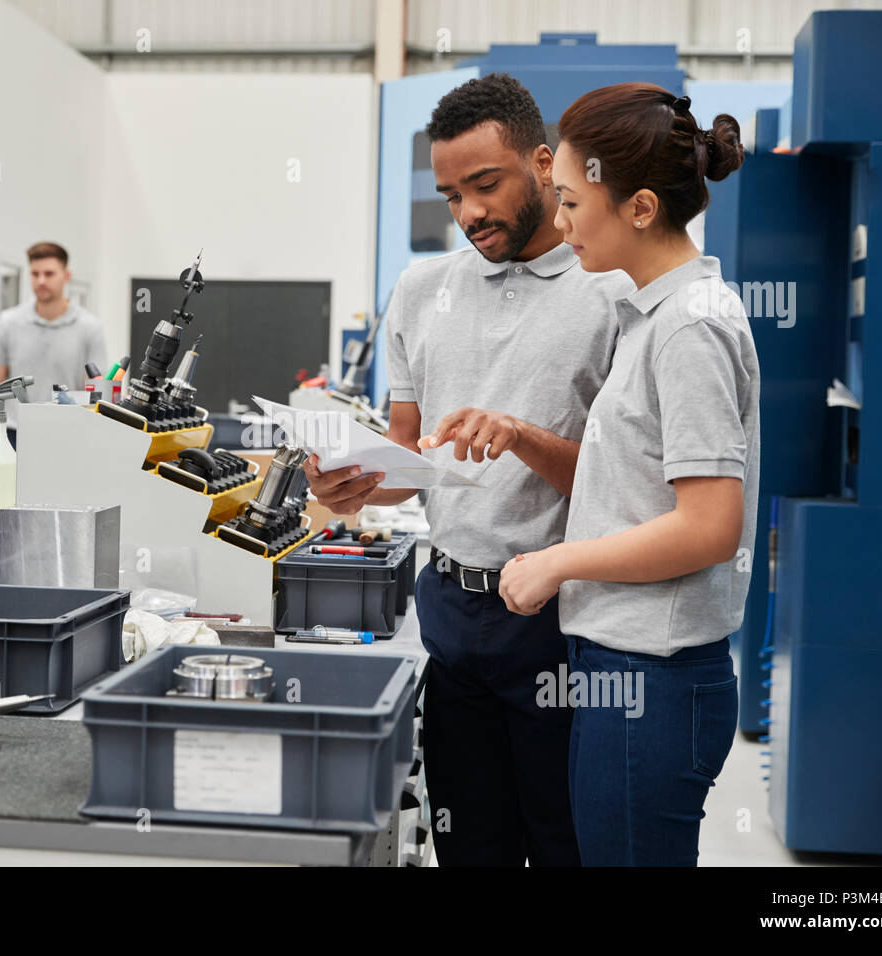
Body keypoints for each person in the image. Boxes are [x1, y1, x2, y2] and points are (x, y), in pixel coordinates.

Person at [302, 74, 632, 866]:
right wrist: (348, 483)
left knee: (566, 842)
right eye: (451, 195)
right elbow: (411, 459)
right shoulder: (420, 291)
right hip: (450, 611)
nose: (469, 213)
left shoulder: (613, 292)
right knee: (468, 842)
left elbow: (627, 488)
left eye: (486, 185)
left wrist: (520, 435)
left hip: (563, 617)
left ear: (545, 165)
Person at [499, 83, 758, 866]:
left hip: (657, 676)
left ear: (640, 207)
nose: (562, 222)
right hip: (625, 667)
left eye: (573, 202)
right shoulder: (652, 316)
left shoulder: (691, 328)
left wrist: (557, 560)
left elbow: (711, 527)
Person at [0, 241, 109, 448]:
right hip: (14, 435)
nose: (41, 281)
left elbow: (97, 394)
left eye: (49, 274)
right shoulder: (9, 322)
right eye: (35, 273)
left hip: (68, 436)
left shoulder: (89, 328)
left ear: (66, 276)